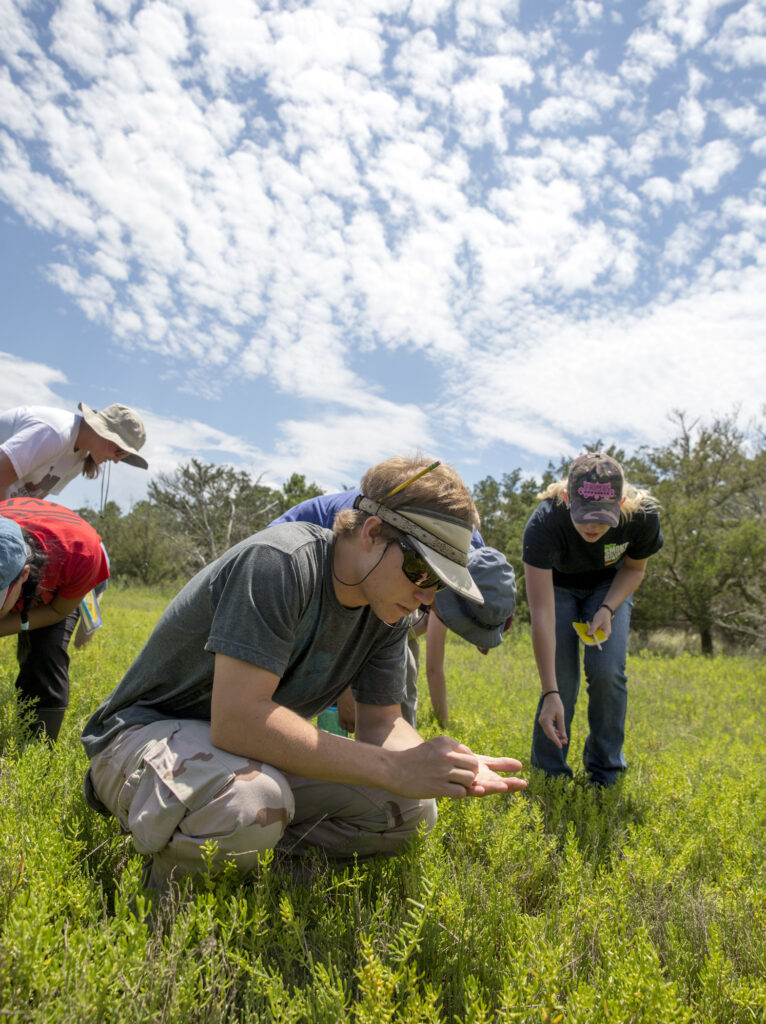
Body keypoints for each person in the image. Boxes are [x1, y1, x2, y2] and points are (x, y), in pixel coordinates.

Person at [81, 456, 526, 891]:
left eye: (439, 585)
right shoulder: (279, 561)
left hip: (240, 753)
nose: (425, 597)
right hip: (144, 733)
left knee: (411, 809)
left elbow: (383, 723)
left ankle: (247, 870)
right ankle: (168, 912)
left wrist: (437, 763)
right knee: (252, 802)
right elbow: (238, 720)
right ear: (372, 533)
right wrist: (392, 766)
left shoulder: (388, 613)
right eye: (420, 570)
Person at [271, 489, 516, 728]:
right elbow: (341, 612)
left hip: (383, 574)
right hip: (306, 577)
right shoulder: (384, 542)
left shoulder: (460, 549)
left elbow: (412, 627)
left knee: (399, 675)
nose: (426, 599)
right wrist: (345, 690)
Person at [523, 452, 663, 786]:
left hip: (608, 587)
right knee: (562, 684)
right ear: (568, 500)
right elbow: (541, 613)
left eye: (602, 517)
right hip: (557, 589)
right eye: (584, 515)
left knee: (608, 672)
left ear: (621, 502)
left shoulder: (642, 518)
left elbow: (634, 569)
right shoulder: (544, 523)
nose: (592, 526)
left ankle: (606, 772)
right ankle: (550, 774)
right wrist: (549, 691)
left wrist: (607, 608)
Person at [0, 498, 110, 740]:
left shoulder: (79, 555)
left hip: (69, 566)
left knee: (46, 652)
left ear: (23, 576)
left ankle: (36, 745)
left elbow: (57, 612)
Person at [0, 402, 148, 500]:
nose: (116, 460)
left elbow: (32, 503)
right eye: (121, 452)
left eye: (124, 456)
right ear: (107, 434)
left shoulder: (78, 460)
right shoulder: (55, 433)